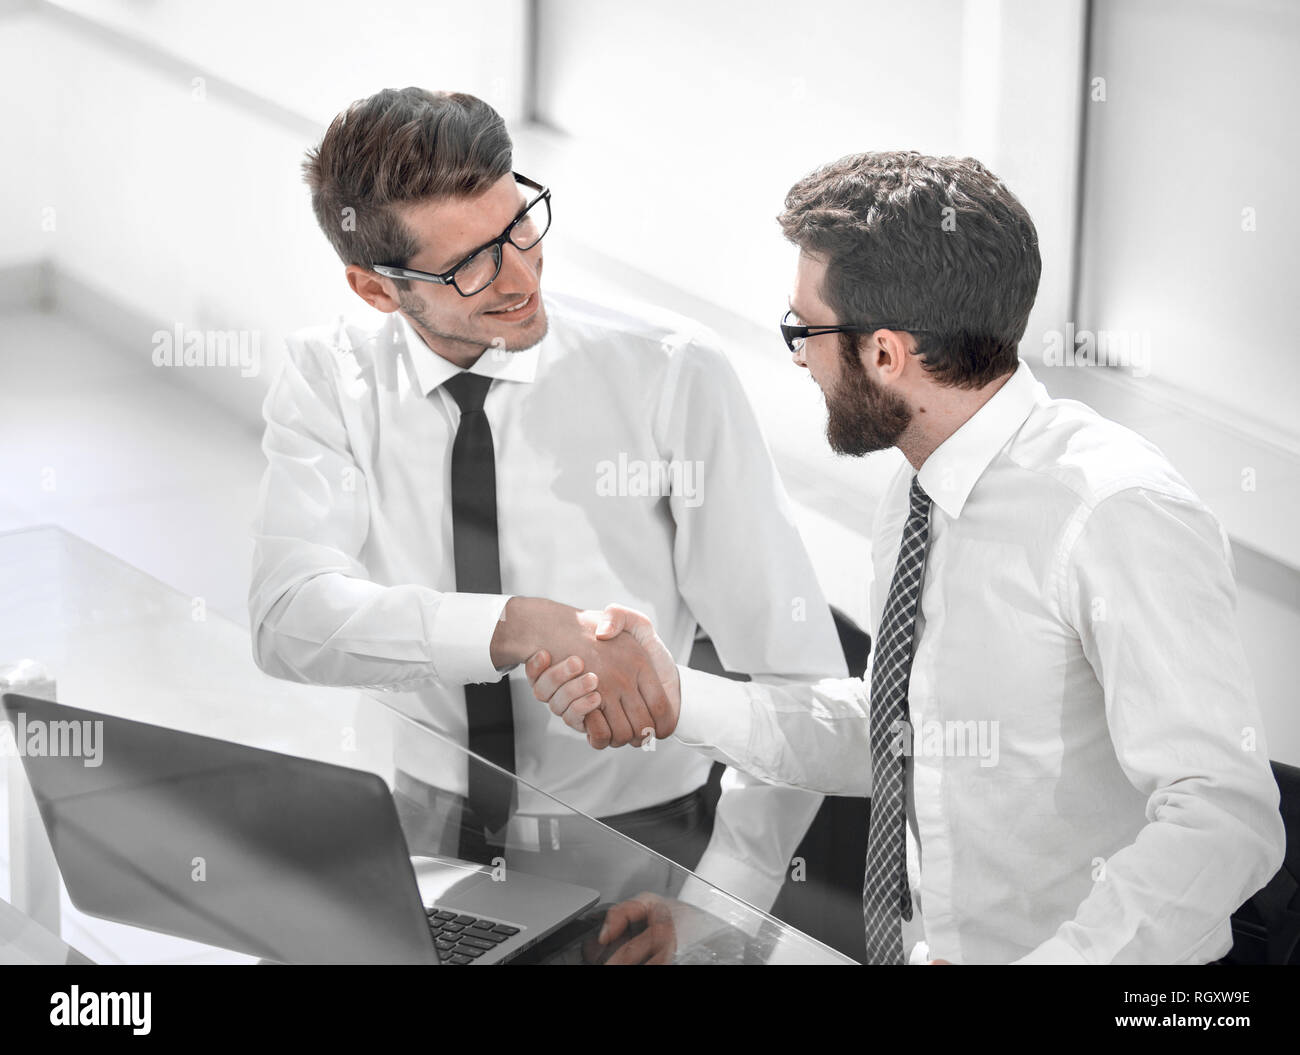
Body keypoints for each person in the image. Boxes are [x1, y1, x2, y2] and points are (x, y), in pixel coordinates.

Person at [526, 150, 1288, 964]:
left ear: (886, 354)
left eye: (803, 330)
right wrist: (678, 698)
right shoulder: (922, 487)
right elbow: (902, 731)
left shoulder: (1115, 511)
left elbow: (1223, 816)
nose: (798, 359)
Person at [247, 88, 847, 919]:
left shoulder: (671, 371)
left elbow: (797, 673)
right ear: (376, 289)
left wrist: (721, 907)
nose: (521, 277)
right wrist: (512, 625)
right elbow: (286, 617)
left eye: (519, 226)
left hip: (646, 840)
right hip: (424, 827)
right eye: (469, 266)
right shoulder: (330, 378)